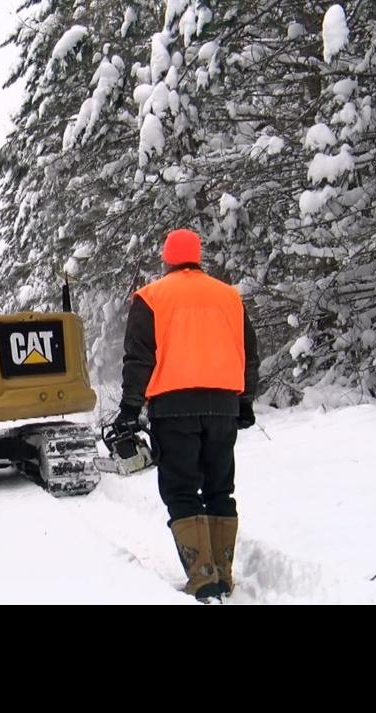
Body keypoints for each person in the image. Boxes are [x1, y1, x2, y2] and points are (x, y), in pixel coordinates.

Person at [117, 228, 259, 601]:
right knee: (220, 488)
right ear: (198, 257)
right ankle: (223, 574)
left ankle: (202, 578)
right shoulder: (229, 297)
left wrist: (129, 409)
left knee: (181, 490)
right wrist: (245, 401)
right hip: (223, 407)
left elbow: (138, 358)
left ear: (166, 258)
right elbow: (248, 354)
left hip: (173, 409)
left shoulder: (151, 297)